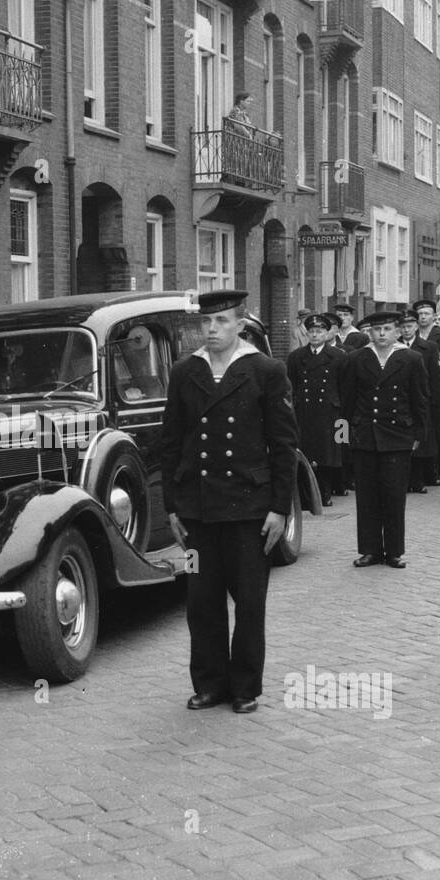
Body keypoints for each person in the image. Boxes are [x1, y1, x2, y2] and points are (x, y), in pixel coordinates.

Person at [161, 289, 297, 715]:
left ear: (241, 325)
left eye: (222, 321)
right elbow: (171, 443)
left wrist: (279, 508)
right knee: (202, 602)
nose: (213, 329)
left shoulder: (266, 371)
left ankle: (245, 687)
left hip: (250, 511)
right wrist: (172, 507)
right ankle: (210, 684)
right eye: (207, 322)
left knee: (250, 602)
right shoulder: (186, 371)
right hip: (199, 512)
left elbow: (284, 443)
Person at [340, 312, 429, 569]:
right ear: (369, 332)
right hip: (364, 436)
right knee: (367, 496)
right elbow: (345, 402)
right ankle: (369, 550)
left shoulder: (411, 359)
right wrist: (342, 438)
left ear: (397, 331)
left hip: (398, 435)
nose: (381, 334)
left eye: (387, 329)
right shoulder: (356, 359)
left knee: (393, 495)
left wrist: (418, 436)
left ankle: (394, 552)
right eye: (377, 329)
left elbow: (419, 400)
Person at [285, 312, 346, 506]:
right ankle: (305, 496)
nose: (315, 335)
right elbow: (291, 384)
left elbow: (344, 386)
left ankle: (326, 493)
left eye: (319, 331)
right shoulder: (296, 357)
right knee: (306, 451)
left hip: (330, 412)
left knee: (328, 453)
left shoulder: (338, 356)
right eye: (311, 331)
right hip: (305, 411)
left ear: (327, 333)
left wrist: (342, 414)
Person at [400, 310, 440, 493]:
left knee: (421, 442)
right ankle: (404, 480)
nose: (406, 330)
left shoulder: (429, 347)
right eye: (402, 327)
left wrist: (433, 399)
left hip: (422, 399)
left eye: (409, 326)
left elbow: (436, 376)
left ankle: (419, 480)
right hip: (401, 399)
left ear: (416, 326)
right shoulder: (396, 347)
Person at [412, 299, 440, 480]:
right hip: (418, 389)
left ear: (434, 316)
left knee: (437, 431)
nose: (423, 317)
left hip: (436, 388)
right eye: (419, 314)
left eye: (426, 314)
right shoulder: (412, 334)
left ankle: (438, 469)